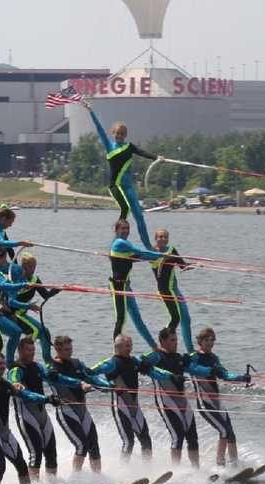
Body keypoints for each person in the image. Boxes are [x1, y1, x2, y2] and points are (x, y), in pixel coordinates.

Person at [0, 352, 57, 484]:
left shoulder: (6, 385)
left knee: (21, 465)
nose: (3, 366)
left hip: (6, 433)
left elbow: (26, 395)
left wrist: (47, 399)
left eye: (3, 363)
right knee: (0, 467)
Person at [84, 100, 161, 250]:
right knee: (125, 209)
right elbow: (99, 129)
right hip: (115, 186)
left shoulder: (129, 147)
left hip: (128, 187)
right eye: (117, 133)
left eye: (122, 134)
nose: (119, 135)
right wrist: (91, 112)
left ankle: (148, 246)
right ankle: (116, 242)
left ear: (125, 135)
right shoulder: (109, 146)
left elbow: (142, 152)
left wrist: (157, 158)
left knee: (139, 215)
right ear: (114, 134)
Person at [7, 337, 86, 481]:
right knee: (35, 454)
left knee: (51, 453)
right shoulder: (16, 370)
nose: (31, 353)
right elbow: (20, 389)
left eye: (33, 350)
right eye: (28, 350)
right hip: (27, 416)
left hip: (42, 414)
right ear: (20, 351)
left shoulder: (37, 367)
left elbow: (58, 379)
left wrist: (79, 383)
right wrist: (46, 398)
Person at [91, 334, 172, 461]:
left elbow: (155, 371)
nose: (130, 348)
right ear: (118, 346)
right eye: (127, 346)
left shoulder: (135, 361)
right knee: (129, 442)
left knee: (146, 439)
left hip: (135, 407)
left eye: (131, 345)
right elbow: (90, 373)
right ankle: (124, 471)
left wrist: (171, 376)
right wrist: (105, 385)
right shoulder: (111, 363)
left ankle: (147, 468)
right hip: (120, 407)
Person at [143, 328, 212, 467]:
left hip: (183, 400)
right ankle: (176, 471)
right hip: (166, 401)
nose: (175, 343)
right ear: (162, 341)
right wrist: (145, 361)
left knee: (192, 437)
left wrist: (211, 371)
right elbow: (142, 361)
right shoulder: (156, 356)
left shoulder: (179, 357)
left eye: (176, 340)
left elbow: (195, 369)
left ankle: (196, 470)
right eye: (172, 340)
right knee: (178, 436)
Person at [48, 335, 113, 473]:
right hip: (66, 411)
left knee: (94, 445)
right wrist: (80, 385)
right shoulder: (52, 367)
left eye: (70, 348)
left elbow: (91, 377)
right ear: (57, 349)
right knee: (81, 445)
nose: (70, 352)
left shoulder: (77, 363)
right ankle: (76, 478)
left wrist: (107, 385)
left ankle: (98, 478)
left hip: (83, 410)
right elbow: (62, 381)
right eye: (66, 349)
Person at [189, 327, 251, 467]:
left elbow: (225, 374)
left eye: (212, 340)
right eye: (207, 340)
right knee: (224, 431)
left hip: (217, 403)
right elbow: (190, 368)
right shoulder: (195, 357)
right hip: (205, 404)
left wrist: (242, 378)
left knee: (231, 434)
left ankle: (235, 466)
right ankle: (220, 464)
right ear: (200, 341)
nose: (210, 343)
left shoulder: (214, 358)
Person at [110, 219, 163, 350]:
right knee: (121, 318)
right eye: (123, 229)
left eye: (127, 229)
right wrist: (160, 254)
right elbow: (140, 252)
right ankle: (116, 351)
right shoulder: (119, 243)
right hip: (118, 286)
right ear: (116, 230)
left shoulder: (124, 245)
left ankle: (154, 347)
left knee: (137, 319)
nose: (126, 231)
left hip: (126, 286)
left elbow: (137, 257)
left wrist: (156, 257)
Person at [5, 253, 59, 365]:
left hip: (22, 314)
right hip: (12, 314)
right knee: (33, 331)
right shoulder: (16, 279)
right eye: (30, 266)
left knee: (44, 332)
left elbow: (46, 295)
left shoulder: (35, 279)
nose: (33, 269)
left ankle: (48, 361)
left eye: (34, 266)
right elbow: (9, 301)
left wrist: (59, 288)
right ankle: (24, 359)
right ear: (23, 266)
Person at [150, 228, 194, 353]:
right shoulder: (152, 253)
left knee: (186, 318)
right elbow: (136, 256)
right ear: (155, 239)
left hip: (175, 290)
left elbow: (183, 265)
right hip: (164, 291)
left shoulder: (171, 250)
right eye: (160, 237)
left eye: (165, 237)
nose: (163, 239)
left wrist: (195, 264)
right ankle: (164, 344)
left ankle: (190, 350)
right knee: (175, 318)